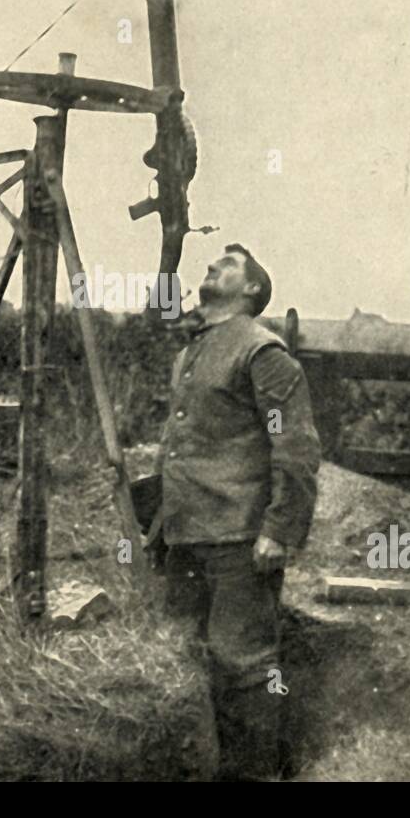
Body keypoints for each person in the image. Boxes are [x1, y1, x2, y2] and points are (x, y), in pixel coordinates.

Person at [152, 243, 321, 779]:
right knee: (201, 660)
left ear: (252, 290)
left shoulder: (261, 352)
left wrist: (279, 528)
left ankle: (259, 772)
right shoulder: (193, 349)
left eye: (228, 264)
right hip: (188, 534)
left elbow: (293, 445)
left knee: (244, 664)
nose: (212, 265)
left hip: (238, 537)